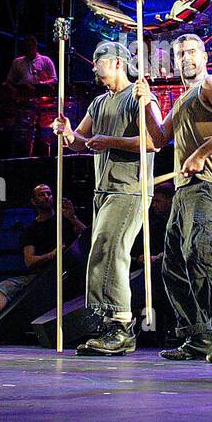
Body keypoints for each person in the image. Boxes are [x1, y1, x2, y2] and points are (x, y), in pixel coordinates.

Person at [134, 33, 212, 363]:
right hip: (185, 191)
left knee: (200, 254)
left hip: (211, 184)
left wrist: (200, 153)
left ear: (204, 56)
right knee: (172, 265)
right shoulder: (183, 99)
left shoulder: (210, 84)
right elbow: (157, 139)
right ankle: (198, 337)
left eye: (192, 51)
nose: (186, 57)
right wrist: (146, 103)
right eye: (180, 53)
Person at [53, 40, 162, 356]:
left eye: (97, 60)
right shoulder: (98, 103)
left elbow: (154, 141)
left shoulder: (137, 97)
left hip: (130, 189)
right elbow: (80, 143)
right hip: (104, 189)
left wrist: (109, 141)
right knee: (100, 251)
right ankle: (107, 323)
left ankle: (121, 326)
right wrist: (69, 133)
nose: (93, 66)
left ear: (116, 62)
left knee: (110, 248)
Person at [0, 184, 87, 343]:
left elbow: (88, 237)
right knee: (6, 286)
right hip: (40, 275)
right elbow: (29, 261)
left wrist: (73, 218)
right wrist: (51, 255)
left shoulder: (64, 220)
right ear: (33, 201)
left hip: (69, 273)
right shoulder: (32, 229)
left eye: (49, 194)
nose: (47, 197)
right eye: (42, 195)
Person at [4, 36, 57, 157]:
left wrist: (38, 85)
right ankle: (25, 159)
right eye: (26, 47)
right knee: (25, 135)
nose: (28, 49)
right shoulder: (17, 62)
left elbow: (54, 80)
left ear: (35, 46)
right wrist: (17, 92)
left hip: (43, 104)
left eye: (30, 46)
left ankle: (45, 160)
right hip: (24, 103)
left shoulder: (45, 60)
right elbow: (9, 81)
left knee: (45, 135)